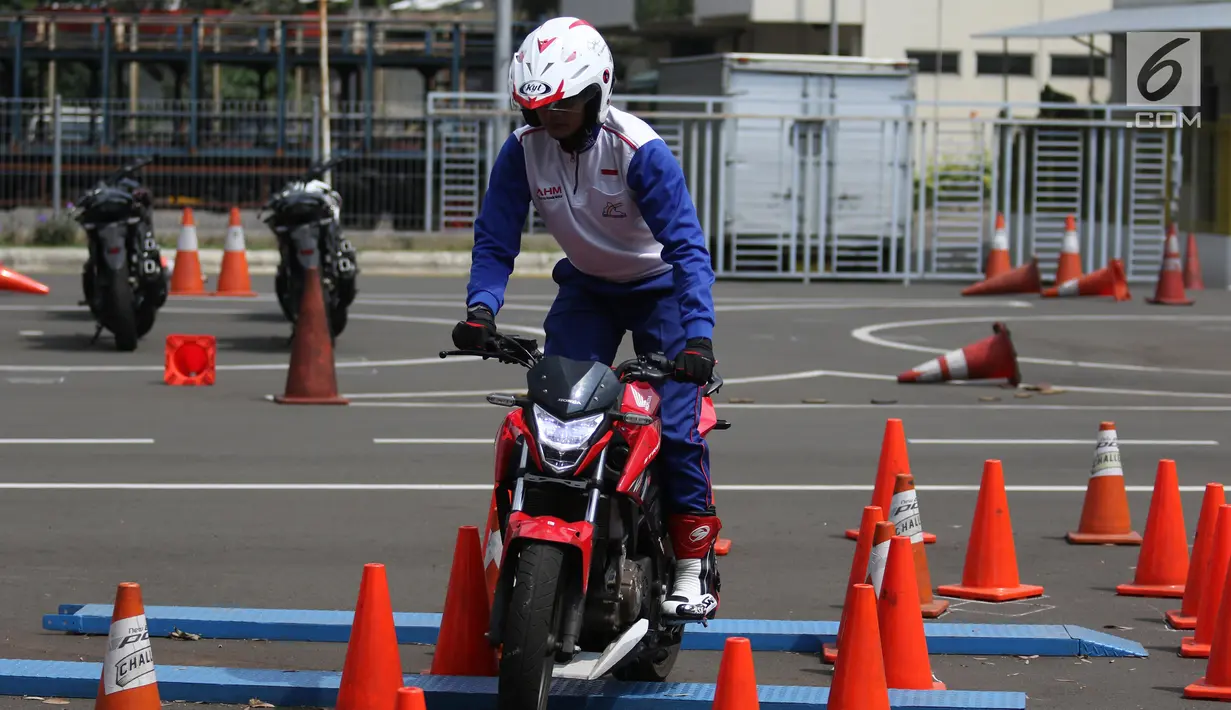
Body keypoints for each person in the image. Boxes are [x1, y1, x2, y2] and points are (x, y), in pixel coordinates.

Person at [450, 16, 722, 623]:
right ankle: (546, 533)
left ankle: (690, 560)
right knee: (554, 417)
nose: (551, 118)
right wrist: (480, 309)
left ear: (598, 91)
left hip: (662, 293)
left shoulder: (638, 151)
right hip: (587, 293)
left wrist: (697, 337)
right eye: (537, 106)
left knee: (675, 428)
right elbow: (496, 241)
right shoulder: (523, 151)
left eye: (565, 105)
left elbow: (687, 249)